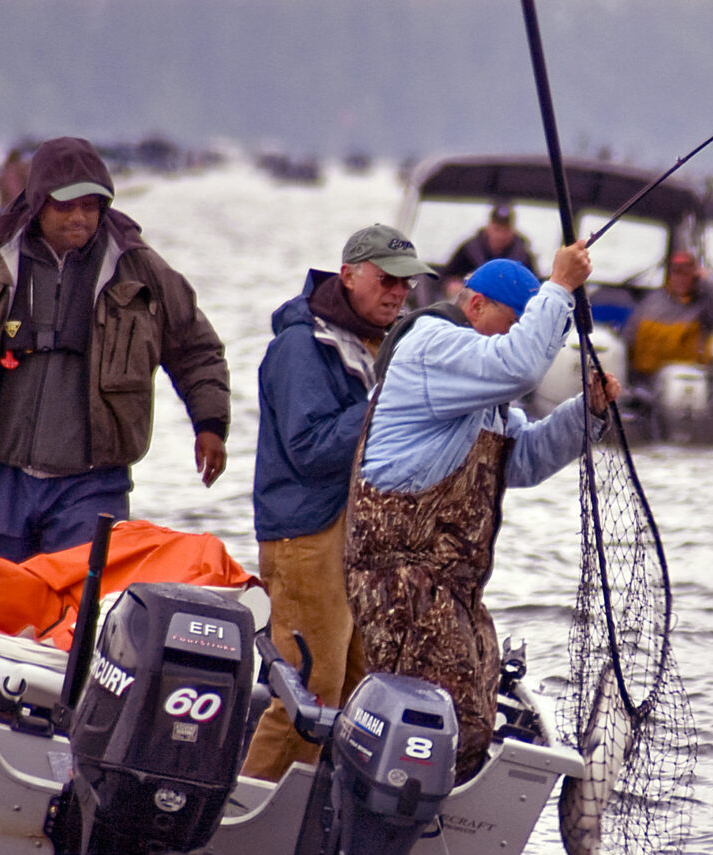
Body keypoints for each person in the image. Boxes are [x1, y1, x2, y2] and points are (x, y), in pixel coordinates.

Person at [346, 247, 620, 782]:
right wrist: (560, 286)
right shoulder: (434, 345)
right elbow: (520, 365)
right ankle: (398, 814)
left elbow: (524, 460)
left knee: (474, 717)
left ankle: (445, 815)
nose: (519, 338)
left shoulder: (483, 394)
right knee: (434, 714)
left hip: (454, 587)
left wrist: (585, 413)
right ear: (475, 306)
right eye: (514, 324)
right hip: (400, 578)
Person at [0, 136, 230, 563]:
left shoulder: (142, 270)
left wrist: (210, 425)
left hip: (92, 484)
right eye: (66, 206)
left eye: (90, 206)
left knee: (78, 596)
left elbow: (197, 350)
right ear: (38, 203)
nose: (79, 217)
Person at [243, 223, 438, 782]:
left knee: (362, 693)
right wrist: (386, 401)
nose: (398, 292)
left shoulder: (387, 344)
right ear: (348, 276)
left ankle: (324, 811)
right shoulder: (301, 346)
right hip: (306, 538)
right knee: (311, 696)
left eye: (406, 283)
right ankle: (247, 809)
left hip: (361, 542)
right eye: (386, 280)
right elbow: (310, 449)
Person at [619, 251, 713, 386]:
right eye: (677, 272)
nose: (681, 278)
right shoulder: (652, 301)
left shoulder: (704, 306)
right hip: (645, 379)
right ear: (669, 275)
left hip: (686, 381)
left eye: (687, 273)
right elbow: (629, 338)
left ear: (695, 277)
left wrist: (707, 284)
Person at [439, 202, 537, 296]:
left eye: (506, 230)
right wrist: (452, 285)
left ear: (513, 231)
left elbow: (534, 288)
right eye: (497, 229)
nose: (500, 236)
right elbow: (445, 277)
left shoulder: (523, 256)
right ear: (488, 228)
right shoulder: (469, 250)